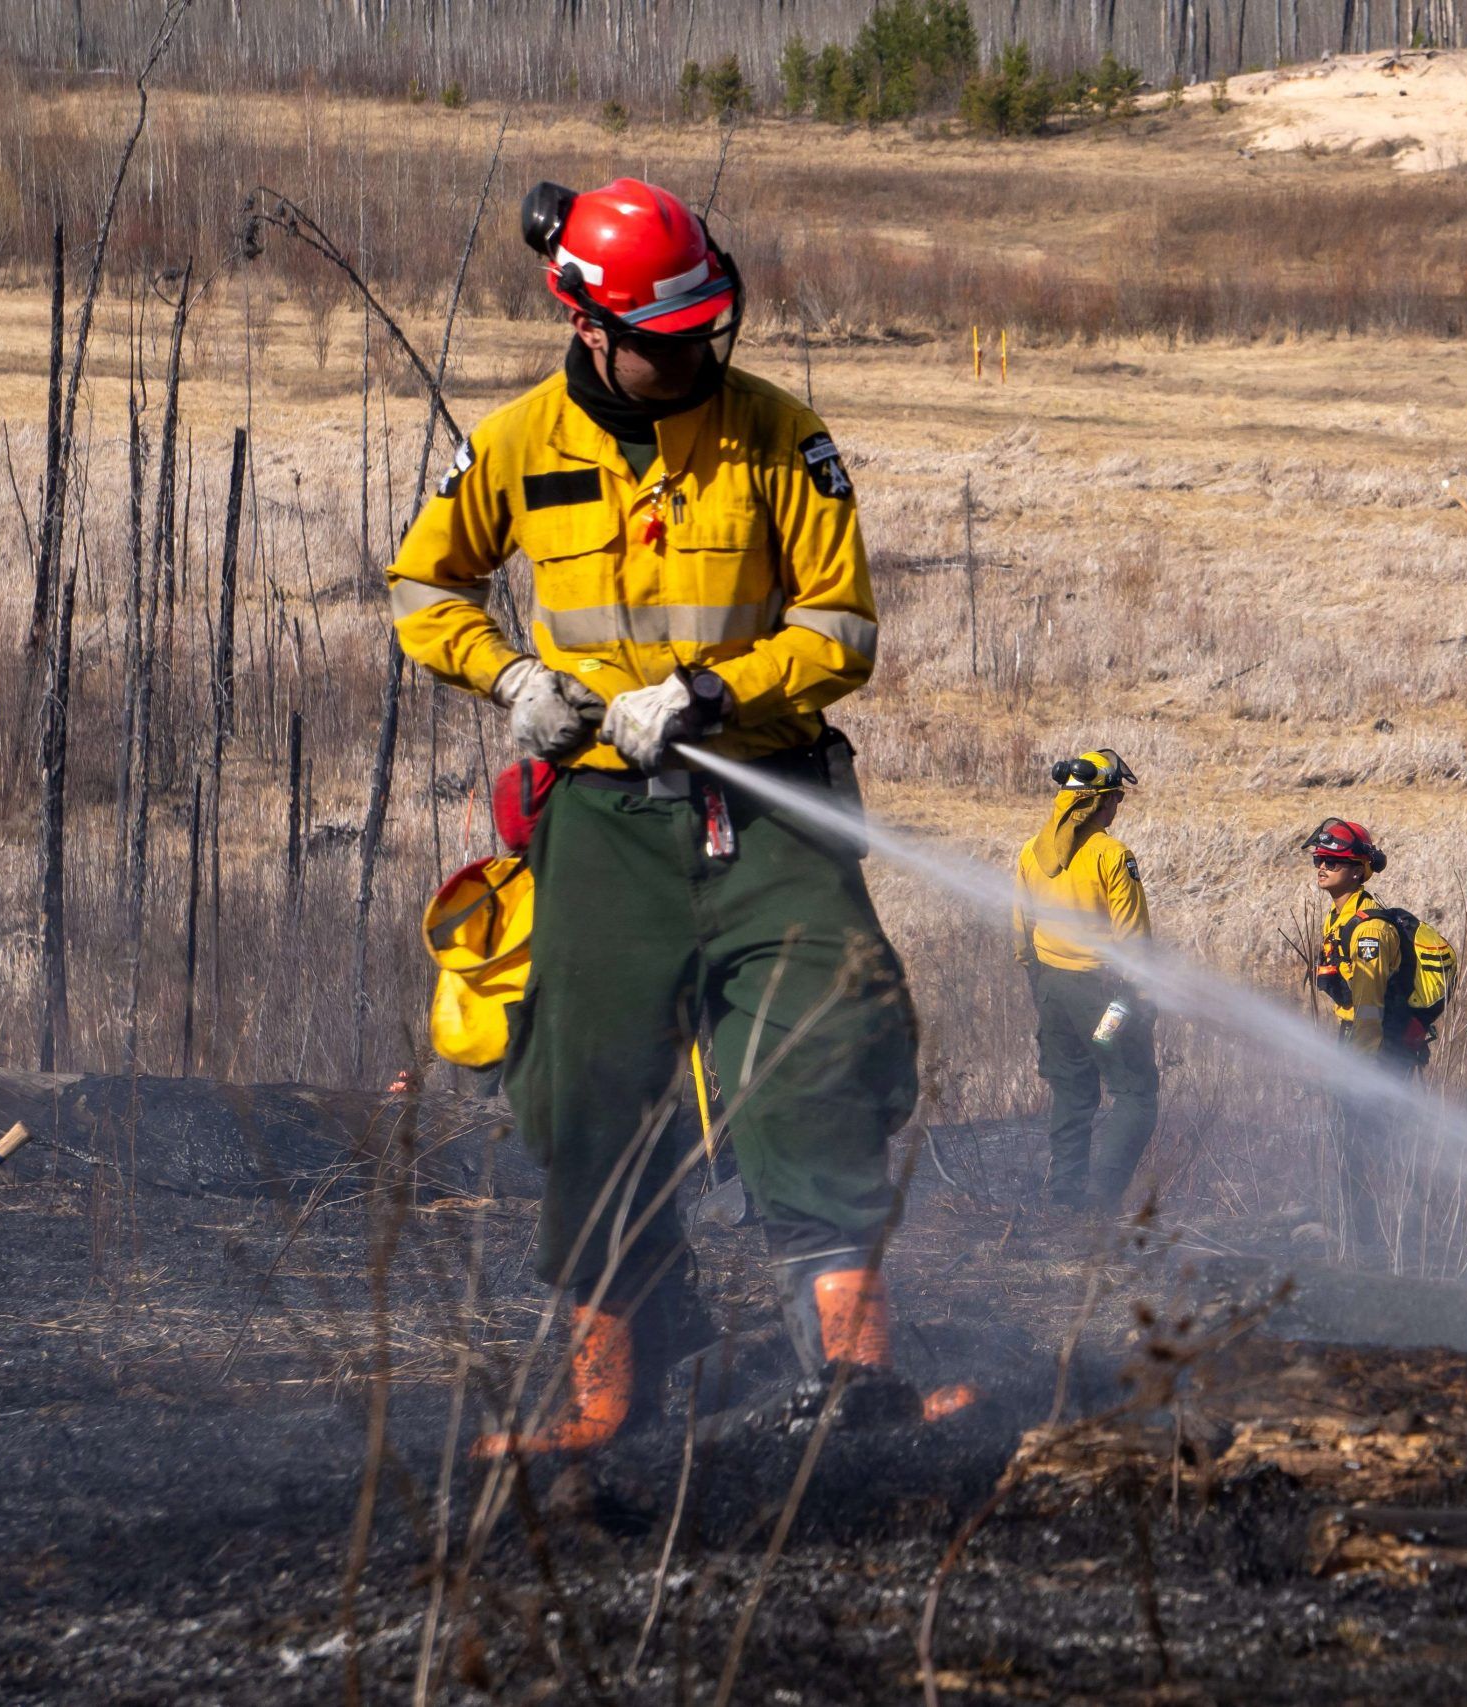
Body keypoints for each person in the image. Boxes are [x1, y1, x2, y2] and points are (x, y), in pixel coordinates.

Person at [386, 177, 920, 1454]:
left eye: (706, 333)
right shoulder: (515, 447)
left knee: (816, 1063)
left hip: (768, 805)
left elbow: (842, 629)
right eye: (666, 342)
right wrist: (510, 677)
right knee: (586, 1099)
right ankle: (606, 1394)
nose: (695, 358)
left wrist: (712, 690)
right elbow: (422, 584)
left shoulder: (782, 440)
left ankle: (856, 1384)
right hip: (605, 831)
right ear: (589, 328)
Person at [1012, 750, 1158, 1213]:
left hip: (1053, 993)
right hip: (1104, 999)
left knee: (1073, 1093)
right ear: (1100, 803)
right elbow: (1131, 938)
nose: (1118, 808)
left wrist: (1040, 982)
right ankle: (1102, 1198)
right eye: (1116, 798)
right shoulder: (1113, 855)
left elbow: (1022, 931)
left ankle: (1064, 1196)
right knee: (1134, 1090)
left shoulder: (1033, 853)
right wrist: (1142, 996)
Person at [1306, 817, 1448, 1262]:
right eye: (1319, 858)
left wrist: (1358, 1068)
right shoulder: (1341, 917)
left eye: (1333, 860)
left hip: (1375, 1053)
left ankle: (1381, 1238)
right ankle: (1366, 1231)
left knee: (1372, 1145)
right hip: (1363, 1047)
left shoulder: (1368, 931)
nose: (1321, 865)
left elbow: (1368, 1008)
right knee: (1360, 1143)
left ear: (1358, 870)